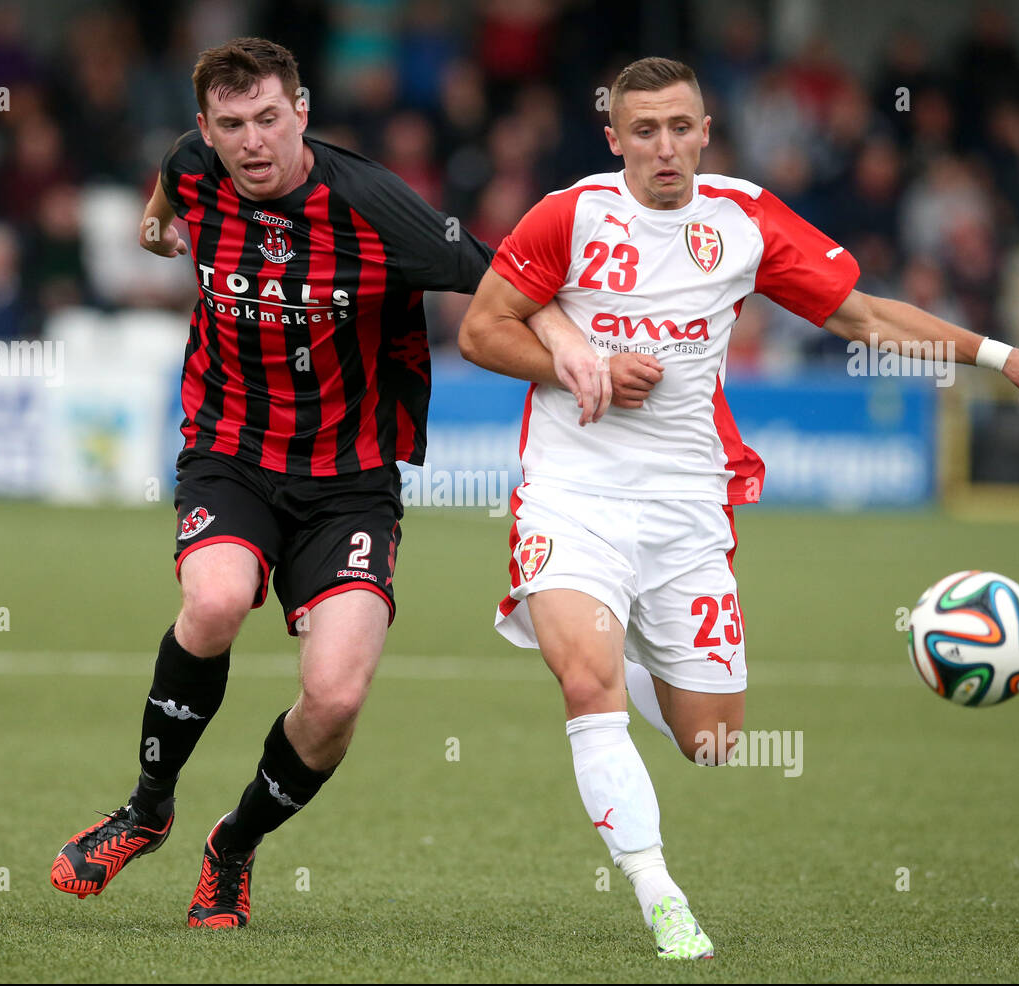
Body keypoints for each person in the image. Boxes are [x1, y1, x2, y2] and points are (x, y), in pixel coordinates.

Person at [457, 56, 1019, 960]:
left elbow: (863, 319)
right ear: (615, 139)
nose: (664, 147)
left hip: (687, 510)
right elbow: (484, 328)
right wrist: (576, 362)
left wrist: (999, 355)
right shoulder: (570, 215)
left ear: (707, 130)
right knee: (585, 684)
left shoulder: (743, 220)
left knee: (711, 744)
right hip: (573, 494)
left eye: (681, 127)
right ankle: (659, 891)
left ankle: (618, 639)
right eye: (644, 131)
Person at [48, 36, 604, 928]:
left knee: (338, 695)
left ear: (302, 111)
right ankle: (146, 808)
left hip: (350, 476)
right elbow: (164, 199)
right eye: (233, 124)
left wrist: (571, 345)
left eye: (270, 117)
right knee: (218, 600)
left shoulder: (378, 209)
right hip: (229, 449)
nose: (253, 141)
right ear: (207, 130)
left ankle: (232, 847)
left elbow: (503, 279)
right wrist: (157, 228)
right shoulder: (195, 167)